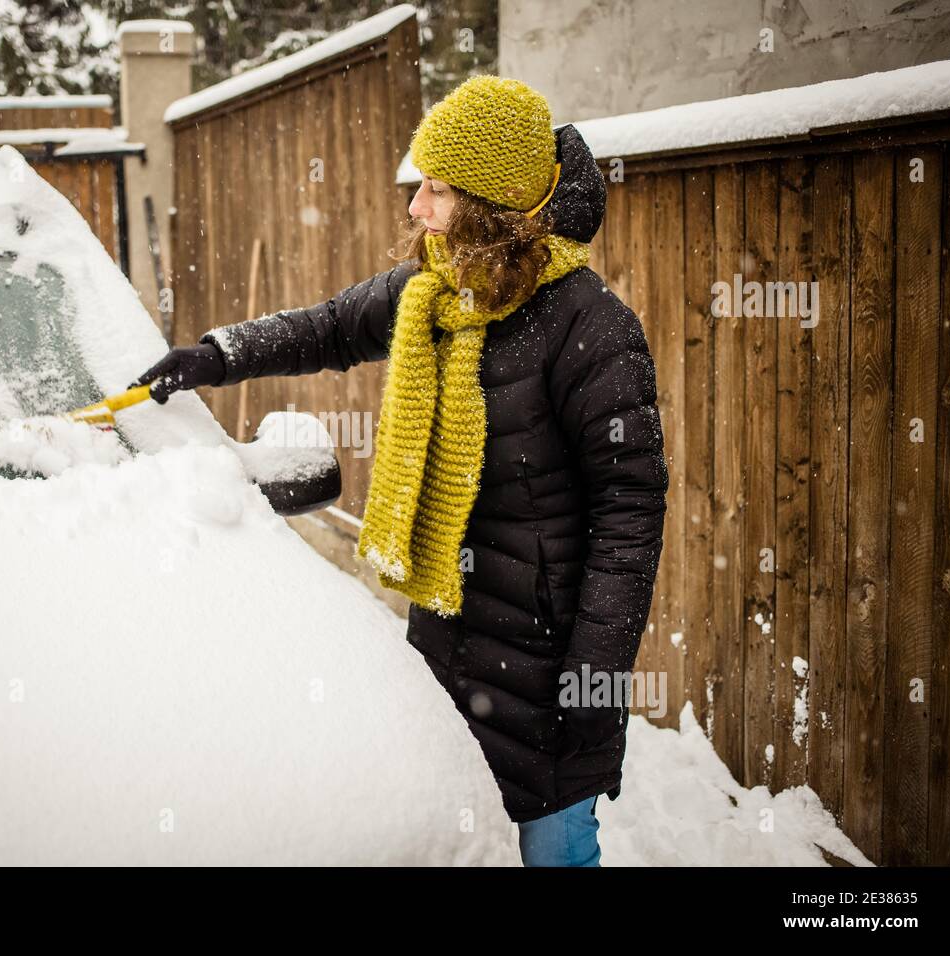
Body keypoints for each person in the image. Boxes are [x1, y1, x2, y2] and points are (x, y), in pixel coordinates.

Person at [132, 75, 668, 867]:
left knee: (553, 852)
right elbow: (326, 329)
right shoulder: (436, 292)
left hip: (547, 668)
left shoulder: (593, 329)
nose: (415, 206)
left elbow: (630, 512)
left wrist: (597, 672)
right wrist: (216, 355)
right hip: (443, 635)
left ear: (492, 205)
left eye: (438, 189)